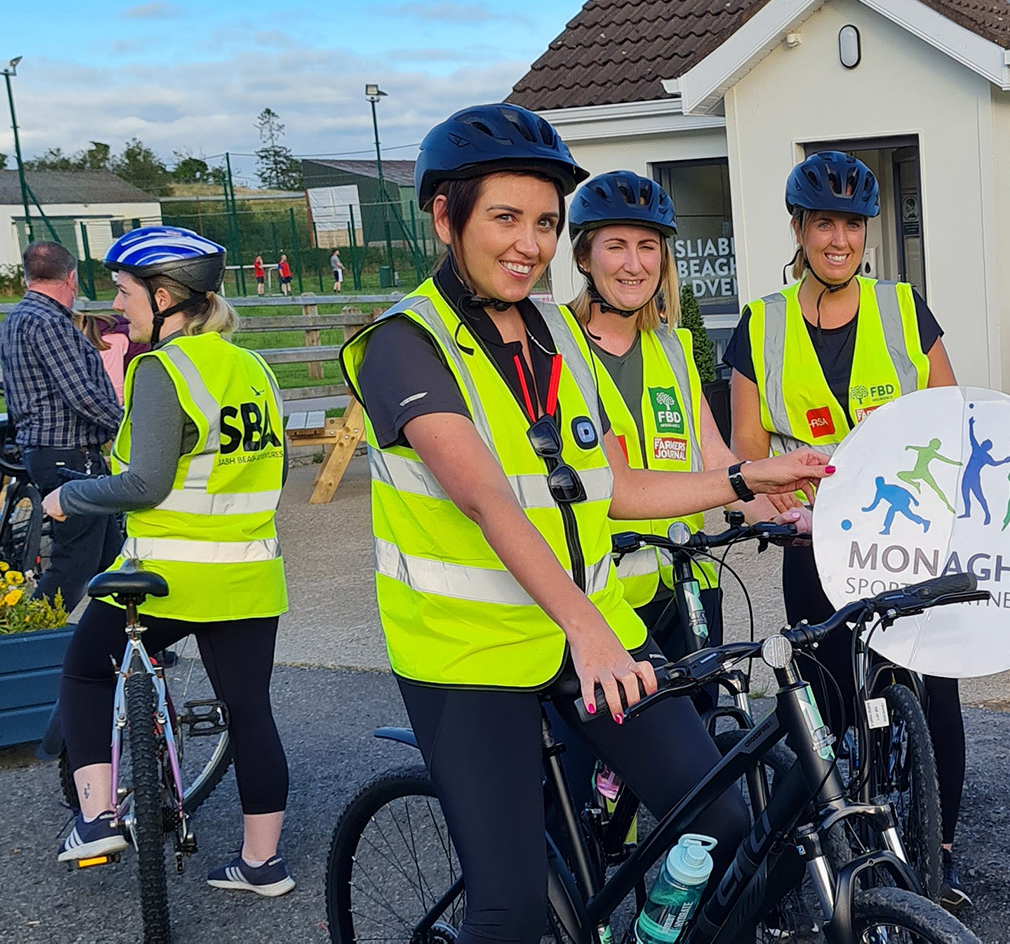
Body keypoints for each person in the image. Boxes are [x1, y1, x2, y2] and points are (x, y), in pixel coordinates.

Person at [342, 105, 826, 944]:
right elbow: (488, 498)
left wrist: (746, 476)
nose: (527, 242)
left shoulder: (549, 334)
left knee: (723, 810)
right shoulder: (402, 344)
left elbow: (605, 487)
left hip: (583, 627)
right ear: (444, 215)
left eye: (543, 221)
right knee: (510, 907)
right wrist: (588, 627)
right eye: (504, 218)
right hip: (469, 657)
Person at [724, 150, 975, 908]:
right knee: (826, 707)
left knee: (933, 699)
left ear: (868, 233)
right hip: (815, 548)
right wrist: (777, 515)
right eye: (824, 223)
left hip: (905, 541)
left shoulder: (903, 309)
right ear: (799, 230)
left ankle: (938, 850)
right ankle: (842, 841)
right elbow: (746, 458)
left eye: (853, 226)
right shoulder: (760, 324)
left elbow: (952, 419)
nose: (839, 239)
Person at [44, 227, 297, 895]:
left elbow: (145, 483)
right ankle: (261, 862)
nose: (118, 307)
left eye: (125, 293)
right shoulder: (255, 368)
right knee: (249, 710)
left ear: (163, 296)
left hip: (166, 575)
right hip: (249, 572)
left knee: (86, 670)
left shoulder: (164, 369)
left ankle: (97, 817)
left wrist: (68, 497)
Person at [563, 169, 777, 682]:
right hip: (602, 598)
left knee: (703, 730)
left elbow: (714, 455)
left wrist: (782, 514)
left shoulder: (674, 347)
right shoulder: (559, 349)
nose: (634, 264)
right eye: (615, 246)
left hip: (686, 586)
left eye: (647, 246)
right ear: (582, 258)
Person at [0, 241, 124, 607]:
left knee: (112, 561)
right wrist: (126, 425)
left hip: (47, 450)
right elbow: (80, 393)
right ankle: (34, 642)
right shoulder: (50, 322)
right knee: (74, 562)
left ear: (28, 276)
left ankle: (136, 644)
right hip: (69, 455)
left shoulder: (14, 320)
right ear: (71, 278)